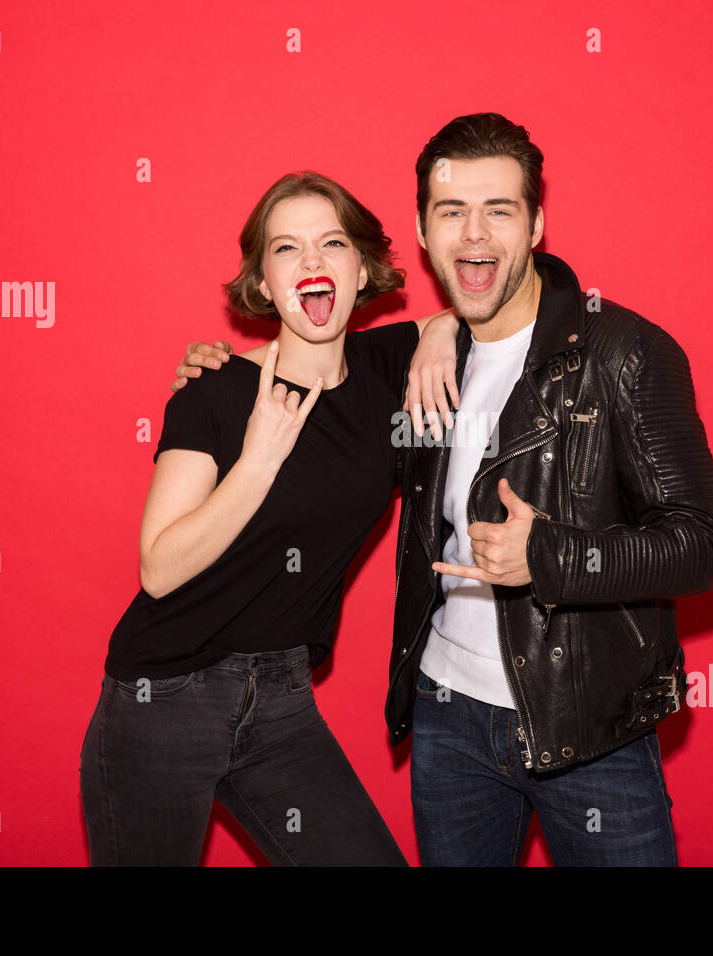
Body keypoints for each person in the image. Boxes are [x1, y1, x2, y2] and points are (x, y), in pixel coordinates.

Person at [174, 113, 713, 867]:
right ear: (423, 230)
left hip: (591, 731)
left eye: (499, 210)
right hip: (447, 723)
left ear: (537, 224)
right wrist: (218, 375)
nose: (475, 234)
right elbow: (307, 373)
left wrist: (553, 556)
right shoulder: (419, 361)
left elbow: (701, 546)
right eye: (451, 212)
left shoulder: (625, 354)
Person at [79, 170, 459, 866]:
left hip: (283, 701)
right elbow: (159, 571)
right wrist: (258, 459)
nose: (312, 263)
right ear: (261, 283)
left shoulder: (388, 372)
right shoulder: (214, 392)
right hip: (161, 700)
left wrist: (438, 331)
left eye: (332, 243)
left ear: (364, 267)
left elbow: (513, 298)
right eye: (287, 249)